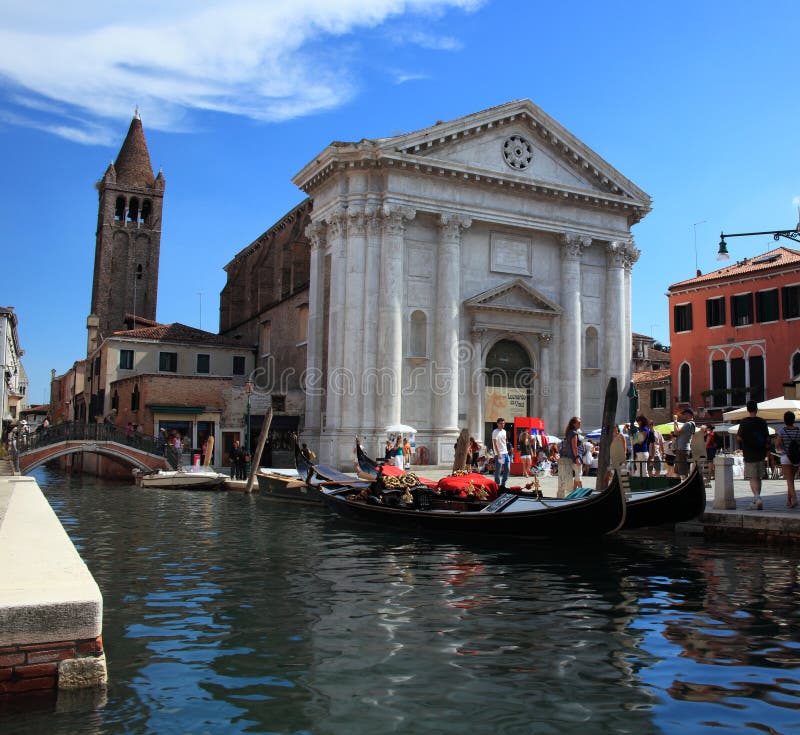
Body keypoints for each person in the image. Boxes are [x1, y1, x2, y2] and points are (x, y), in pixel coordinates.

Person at [736, 400, 769, 510]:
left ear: (747, 409)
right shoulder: (762, 422)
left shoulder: (744, 422)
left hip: (749, 452)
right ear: (757, 409)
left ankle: (757, 498)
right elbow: (767, 438)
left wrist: (746, 440)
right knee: (758, 477)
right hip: (761, 452)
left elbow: (739, 437)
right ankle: (756, 498)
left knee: (753, 477)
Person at [775, 410, 800, 509]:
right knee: (792, 479)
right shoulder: (798, 430)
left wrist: (780, 450)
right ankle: (788, 500)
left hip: (786, 457)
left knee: (789, 480)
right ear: (794, 420)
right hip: (796, 458)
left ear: (785, 420)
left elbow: (777, 444)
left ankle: (794, 498)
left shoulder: (782, 431)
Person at [558, 416, 583, 498]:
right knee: (578, 476)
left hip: (570, 457)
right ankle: (582, 494)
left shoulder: (569, 432)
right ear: (574, 424)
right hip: (575, 457)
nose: (580, 424)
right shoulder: (574, 433)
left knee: (576, 476)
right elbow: (574, 446)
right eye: (578, 423)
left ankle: (573, 494)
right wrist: (577, 458)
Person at [673, 408, 696, 479]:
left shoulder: (688, 424)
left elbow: (676, 432)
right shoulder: (690, 424)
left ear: (688, 414)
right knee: (677, 471)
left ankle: (687, 487)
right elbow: (677, 432)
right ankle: (677, 486)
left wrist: (675, 420)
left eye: (684, 414)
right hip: (681, 449)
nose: (683, 416)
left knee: (683, 473)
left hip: (682, 450)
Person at [492, 417, 510, 491]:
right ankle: (497, 484)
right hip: (499, 454)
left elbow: (504, 441)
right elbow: (495, 443)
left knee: (507, 469)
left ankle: (503, 484)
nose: (502, 424)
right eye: (501, 423)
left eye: (503, 423)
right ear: (497, 424)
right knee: (498, 470)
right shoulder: (495, 432)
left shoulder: (504, 431)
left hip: (506, 453)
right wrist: (498, 453)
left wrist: (507, 450)